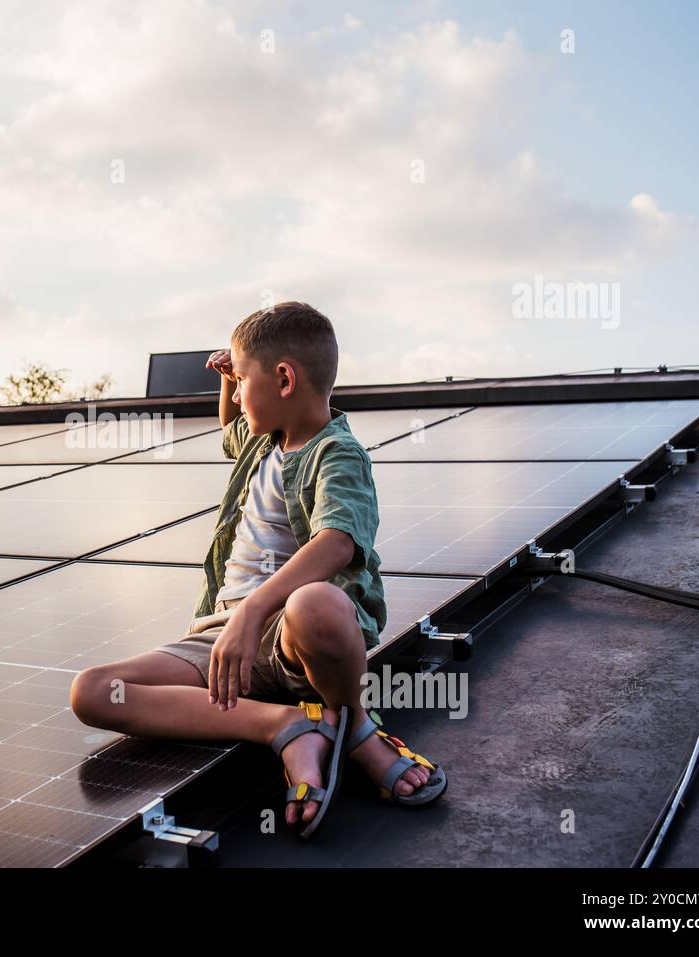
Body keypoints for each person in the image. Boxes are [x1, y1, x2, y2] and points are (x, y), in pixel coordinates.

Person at [69, 301, 445, 839]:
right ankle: (285, 726)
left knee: (312, 602)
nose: (239, 394)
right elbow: (232, 427)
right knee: (95, 691)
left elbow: (337, 543)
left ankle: (356, 727)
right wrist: (230, 381)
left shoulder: (337, 454)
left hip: (295, 642)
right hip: (223, 640)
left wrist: (252, 612)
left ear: (284, 379)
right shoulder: (260, 442)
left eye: (244, 380)